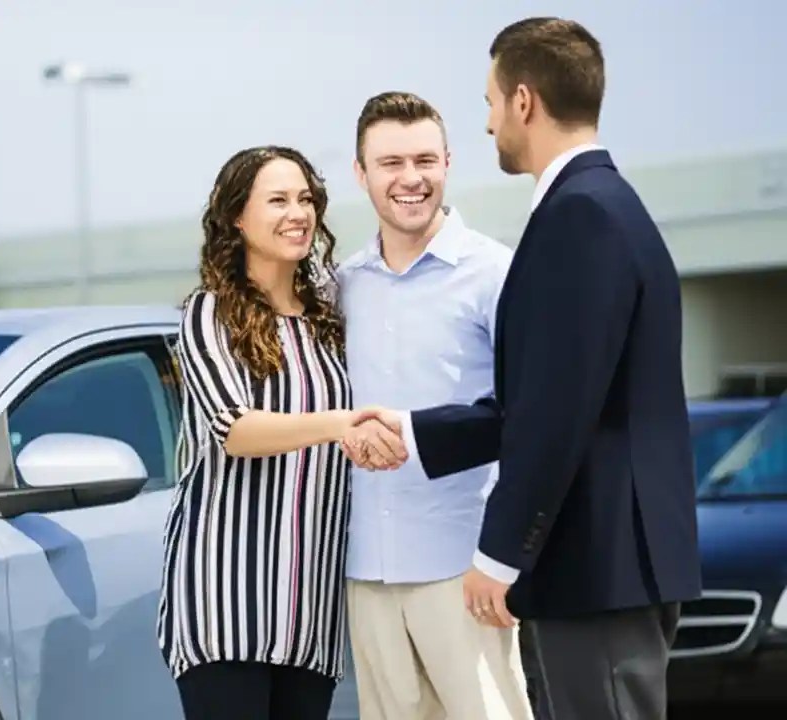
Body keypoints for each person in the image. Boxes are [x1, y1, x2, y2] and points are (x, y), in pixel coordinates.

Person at [353, 17, 703, 720]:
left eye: (488, 103)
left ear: (522, 101)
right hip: (613, 563)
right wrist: (417, 431)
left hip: (601, 562)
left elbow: (554, 412)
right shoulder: (604, 205)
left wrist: (499, 554)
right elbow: (547, 399)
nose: (488, 125)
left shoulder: (580, 216)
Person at [156, 145, 386, 720]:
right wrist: (337, 424)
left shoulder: (329, 316)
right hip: (226, 603)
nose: (298, 213)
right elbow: (234, 428)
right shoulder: (211, 314)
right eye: (278, 200)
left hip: (310, 608)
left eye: (305, 198)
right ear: (237, 217)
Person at [336, 91, 531, 720]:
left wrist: (505, 560)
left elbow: (530, 414)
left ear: (448, 161)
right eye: (390, 163)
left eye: (425, 158)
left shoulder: (497, 272)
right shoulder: (343, 285)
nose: (410, 178)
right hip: (366, 571)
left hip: (464, 571)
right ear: (361, 173)